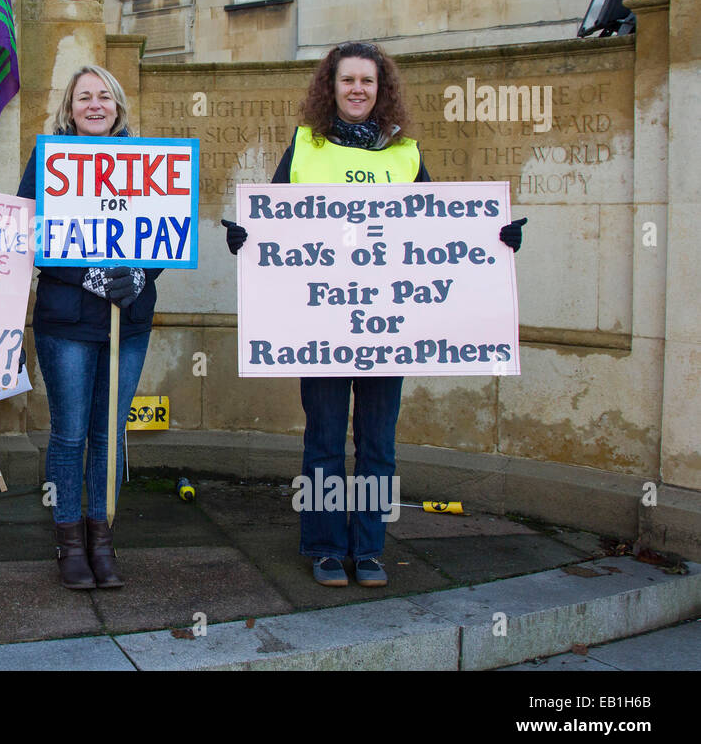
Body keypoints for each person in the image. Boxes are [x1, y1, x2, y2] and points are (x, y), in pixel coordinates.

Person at [223, 41, 525, 589]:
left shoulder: (405, 153)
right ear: (330, 87)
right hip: (321, 327)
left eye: (367, 81)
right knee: (324, 441)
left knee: (378, 445)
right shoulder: (305, 147)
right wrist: (245, 238)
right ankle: (323, 546)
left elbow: (438, 228)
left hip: (389, 329)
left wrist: (494, 240)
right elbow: (274, 221)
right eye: (347, 81)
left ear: (380, 89)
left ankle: (368, 549)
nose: (357, 89)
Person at [17, 65, 159, 590]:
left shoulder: (147, 160)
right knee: (71, 434)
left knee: (108, 434)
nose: (95, 105)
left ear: (118, 106)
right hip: (65, 322)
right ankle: (68, 539)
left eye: (105, 97)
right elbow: (27, 232)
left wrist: (141, 272)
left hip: (131, 319)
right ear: (70, 108)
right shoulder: (49, 157)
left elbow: (170, 230)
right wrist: (92, 275)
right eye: (84, 98)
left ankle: (103, 537)